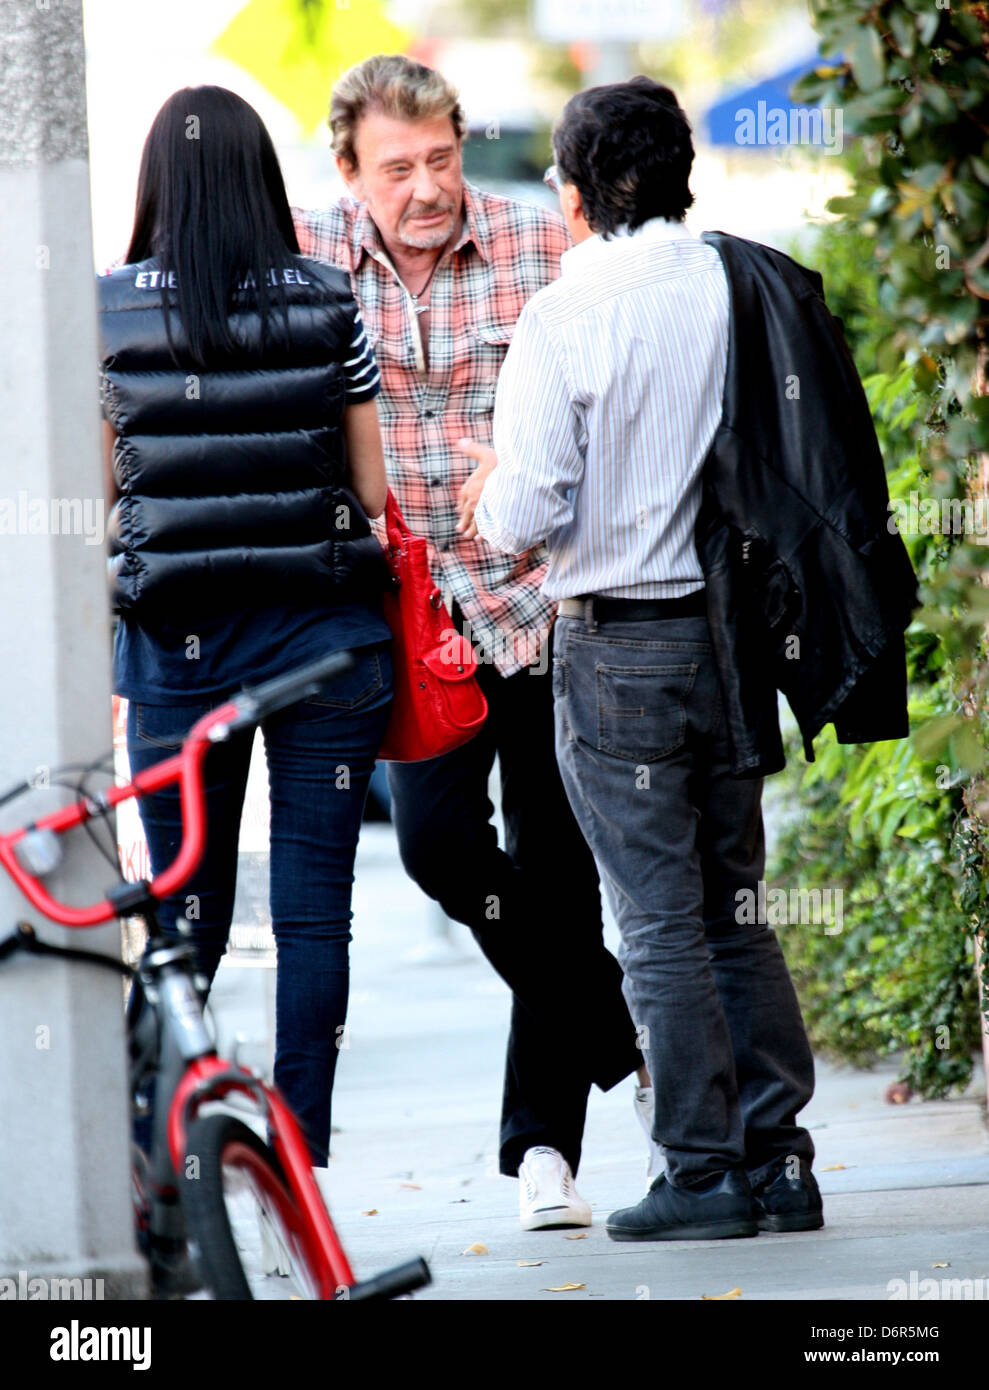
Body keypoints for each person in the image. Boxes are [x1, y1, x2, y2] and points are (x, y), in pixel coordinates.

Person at [475, 76, 912, 1241]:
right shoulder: (740, 282)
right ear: (679, 175)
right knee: (734, 905)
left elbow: (519, 513)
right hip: (732, 642)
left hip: (616, 645)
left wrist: (481, 494)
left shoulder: (563, 316)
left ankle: (699, 1171)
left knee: (656, 920)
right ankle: (779, 1161)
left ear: (572, 195)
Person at [293, 53, 649, 1229]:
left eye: (441, 157)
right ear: (348, 173)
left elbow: (627, 368)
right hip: (411, 626)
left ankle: (543, 1149)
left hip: (543, 606)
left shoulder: (545, 246)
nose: (428, 185)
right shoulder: (304, 259)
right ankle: (616, 1027)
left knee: (558, 871)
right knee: (440, 848)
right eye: (397, 168)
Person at [97, 86, 393, 1192]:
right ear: (265, 181)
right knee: (316, 911)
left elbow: (97, 510)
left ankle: (150, 1157)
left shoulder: (104, 312)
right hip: (325, 648)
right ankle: (300, 1159)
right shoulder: (330, 303)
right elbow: (367, 491)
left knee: (182, 917)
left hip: (177, 659)